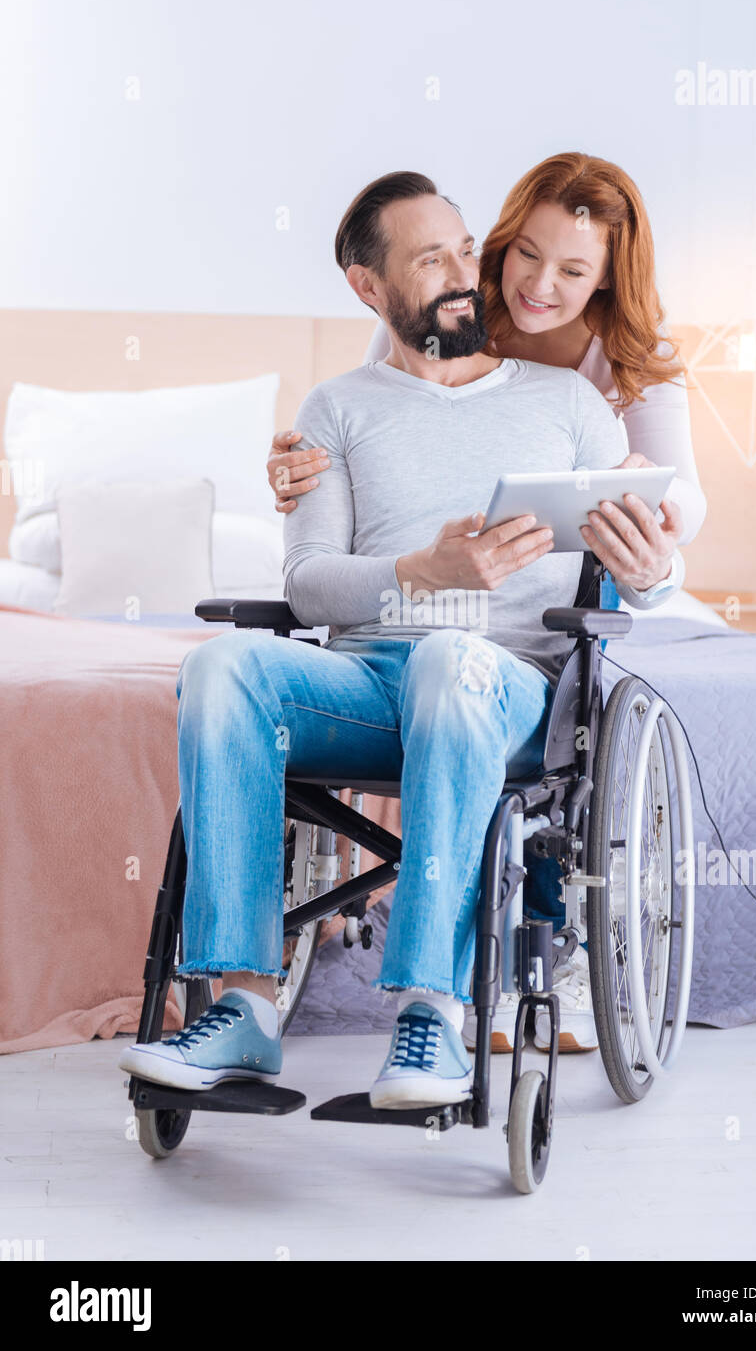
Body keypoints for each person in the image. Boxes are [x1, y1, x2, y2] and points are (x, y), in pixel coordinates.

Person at [119, 171, 682, 1109]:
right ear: (368, 288)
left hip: (500, 689)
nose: (468, 273)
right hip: (365, 682)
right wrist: (422, 570)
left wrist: (655, 569)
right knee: (221, 664)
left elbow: (641, 576)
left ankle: (431, 1013)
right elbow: (305, 584)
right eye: (433, 259)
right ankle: (244, 1013)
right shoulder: (334, 412)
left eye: (467, 249)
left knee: (447, 660)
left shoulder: (571, 407)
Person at [265, 153, 706, 1054]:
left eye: (574, 271)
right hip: (418, 614)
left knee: (557, 688)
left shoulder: (619, 370)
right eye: (526, 256)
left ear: (607, 279)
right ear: (497, 247)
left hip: (555, 588)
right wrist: (295, 470)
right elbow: (372, 420)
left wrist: (651, 519)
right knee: (434, 660)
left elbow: (684, 503)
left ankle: (543, 943)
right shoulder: (451, 310)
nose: (542, 286)